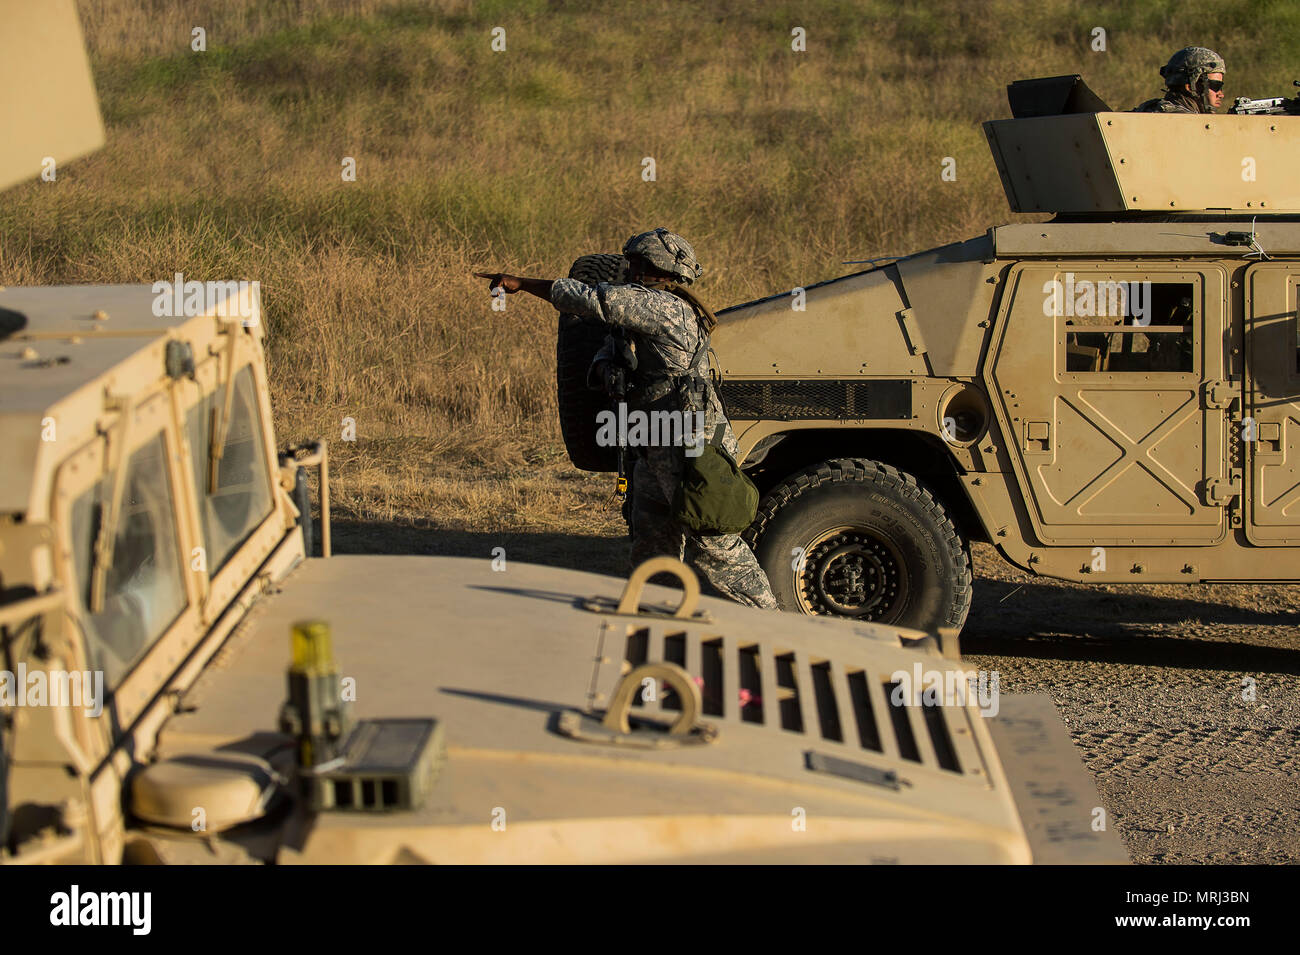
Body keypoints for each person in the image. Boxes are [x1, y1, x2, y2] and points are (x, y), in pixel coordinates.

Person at [474, 229, 778, 609]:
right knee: (652, 537)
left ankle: (772, 620)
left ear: (662, 270)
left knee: (714, 545)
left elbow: (591, 300)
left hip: (689, 444)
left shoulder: (663, 307)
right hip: (654, 442)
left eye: (639, 264)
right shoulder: (647, 307)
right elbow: (611, 347)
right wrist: (605, 368)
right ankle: (656, 609)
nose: (629, 269)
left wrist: (521, 283)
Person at [1133, 47, 1226, 113]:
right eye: (1215, 86)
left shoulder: (1149, 109)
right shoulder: (1178, 119)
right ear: (1189, 87)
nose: (1221, 94)